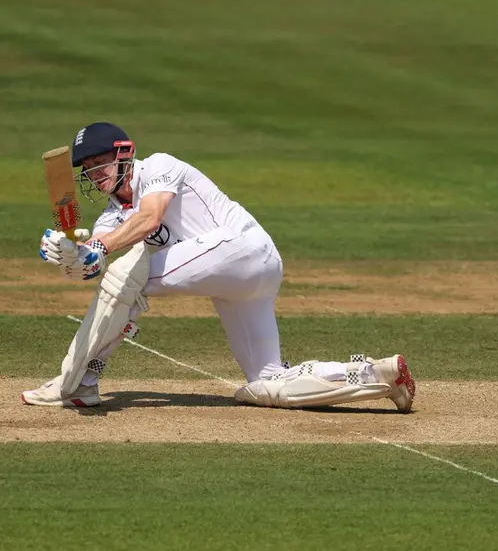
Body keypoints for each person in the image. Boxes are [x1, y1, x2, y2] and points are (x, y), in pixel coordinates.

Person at [26, 122, 416, 412]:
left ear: (125, 153)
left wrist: (98, 248)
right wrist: (70, 255)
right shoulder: (111, 219)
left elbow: (149, 217)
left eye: (102, 162)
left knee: (127, 276)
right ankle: (375, 376)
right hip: (239, 281)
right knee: (266, 385)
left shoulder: (159, 167)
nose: (97, 173)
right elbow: (91, 269)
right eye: (89, 169)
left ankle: (76, 382)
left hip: (242, 247)